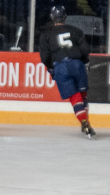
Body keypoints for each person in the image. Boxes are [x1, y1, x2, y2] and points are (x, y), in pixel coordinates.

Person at [38, 5, 96, 138]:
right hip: (77, 64)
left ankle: (84, 123)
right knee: (82, 95)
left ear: (52, 17)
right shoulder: (76, 30)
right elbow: (85, 50)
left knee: (75, 98)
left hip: (61, 67)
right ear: (65, 17)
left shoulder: (46, 34)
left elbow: (44, 57)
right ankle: (86, 122)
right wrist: (83, 61)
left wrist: (51, 68)